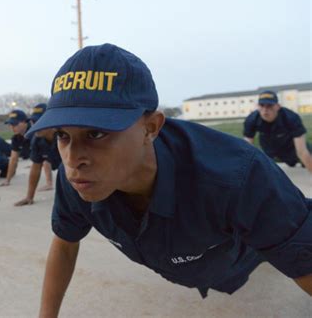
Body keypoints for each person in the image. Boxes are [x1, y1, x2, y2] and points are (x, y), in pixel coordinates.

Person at [23, 44, 312, 316]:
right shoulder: (79, 175)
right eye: (63, 135)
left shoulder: (237, 178)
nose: (74, 158)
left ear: (150, 127)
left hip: (240, 248)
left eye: (96, 134)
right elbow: (65, 242)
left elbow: (302, 256)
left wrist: (284, 246)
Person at [243, 90, 312, 173]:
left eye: (269, 106)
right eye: (262, 105)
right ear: (257, 106)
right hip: (269, 147)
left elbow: (302, 151)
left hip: (290, 146)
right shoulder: (252, 120)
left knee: (305, 157)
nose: (265, 110)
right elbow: (246, 148)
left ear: (278, 106)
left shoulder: (291, 118)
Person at [14, 104, 61, 206]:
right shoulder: (37, 140)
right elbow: (36, 168)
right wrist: (29, 197)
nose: (35, 126)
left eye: (40, 121)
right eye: (33, 122)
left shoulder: (66, 136)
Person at [0, 109, 32, 186]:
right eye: (10, 125)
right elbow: (13, 159)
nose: (12, 128)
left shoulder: (35, 134)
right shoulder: (16, 138)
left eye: (15, 124)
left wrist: (49, 183)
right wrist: (7, 180)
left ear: (25, 122)